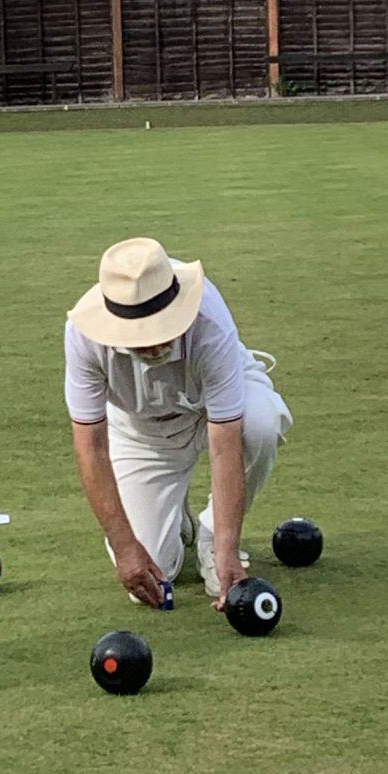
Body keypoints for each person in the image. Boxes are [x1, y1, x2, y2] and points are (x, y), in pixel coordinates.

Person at [65, 237, 292, 609]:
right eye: (140, 336)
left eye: (160, 329)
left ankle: (207, 536)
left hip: (211, 408)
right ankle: (176, 521)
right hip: (141, 431)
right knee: (152, 574)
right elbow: (91, 446)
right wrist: (125, 548)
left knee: (262, 422)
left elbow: (225, 441)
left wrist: (225, 548)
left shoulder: (209, 321)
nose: (153, 346)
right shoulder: (82, 338)